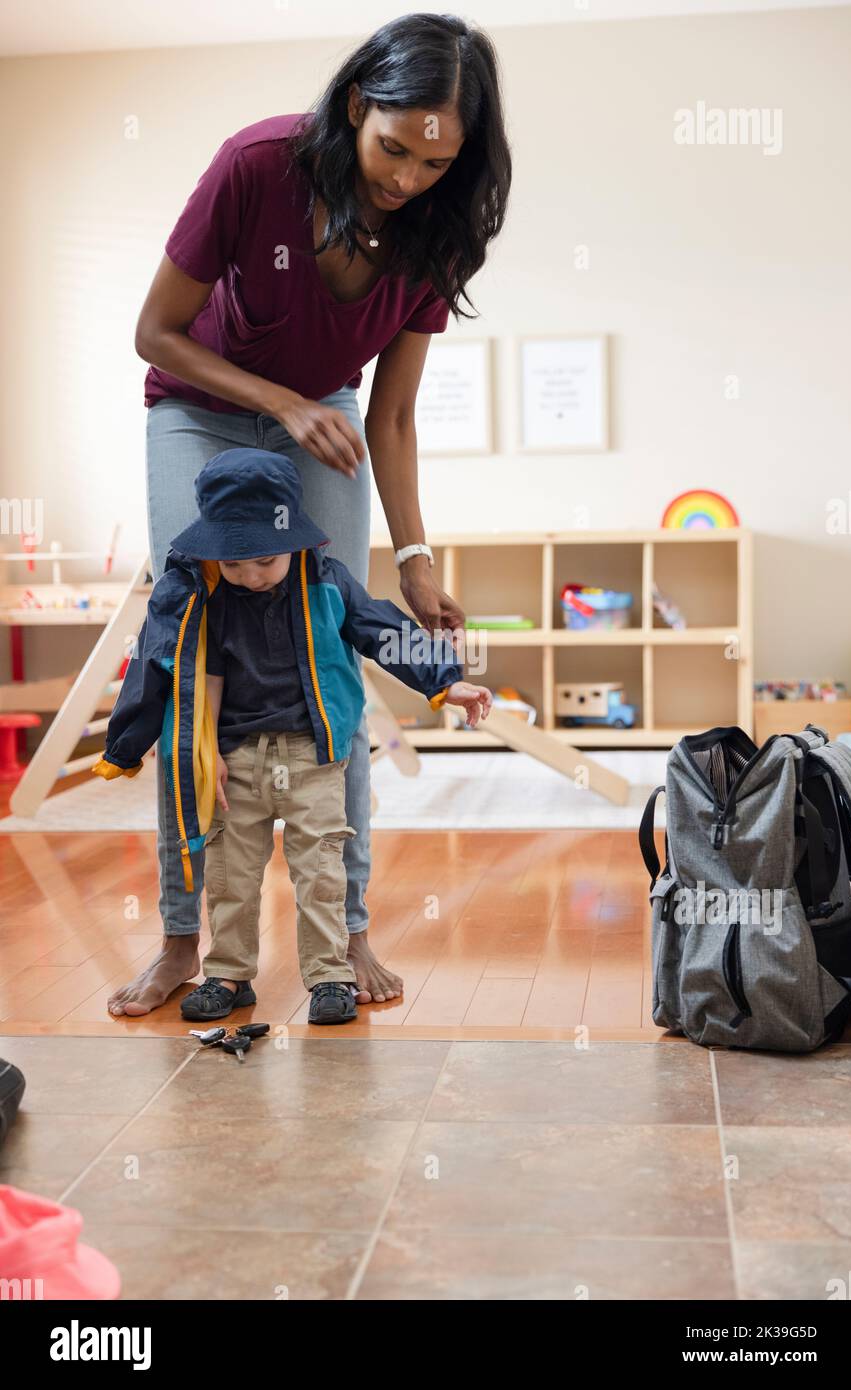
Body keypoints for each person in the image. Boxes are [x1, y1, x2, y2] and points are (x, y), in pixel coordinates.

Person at [107, 13, 512, 1017]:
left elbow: (397, 410)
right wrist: (279, 404)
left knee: (335, 653)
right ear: (354, 104)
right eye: (393, 147)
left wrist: (414, 559)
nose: (409, 177)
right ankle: (179, 934)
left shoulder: (438, 229)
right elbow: (154, 334)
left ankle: (349, 929)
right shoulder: (256, 165)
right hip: (201, 412)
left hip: (324, 417)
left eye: (436, 160)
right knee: (198, 653)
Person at [93, 448, 493, 1023]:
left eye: (263, 561)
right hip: (238, 759)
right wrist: (190, 751)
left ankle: (330, 976)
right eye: (234, 565)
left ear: (294, 540)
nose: (250, 576)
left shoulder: (328, 581)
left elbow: (381, 628)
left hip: (313, 759)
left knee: (321, 871)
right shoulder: (210, 595)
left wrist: (444, 682)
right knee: (231, 874)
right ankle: (228, 975)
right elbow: (184, 668)